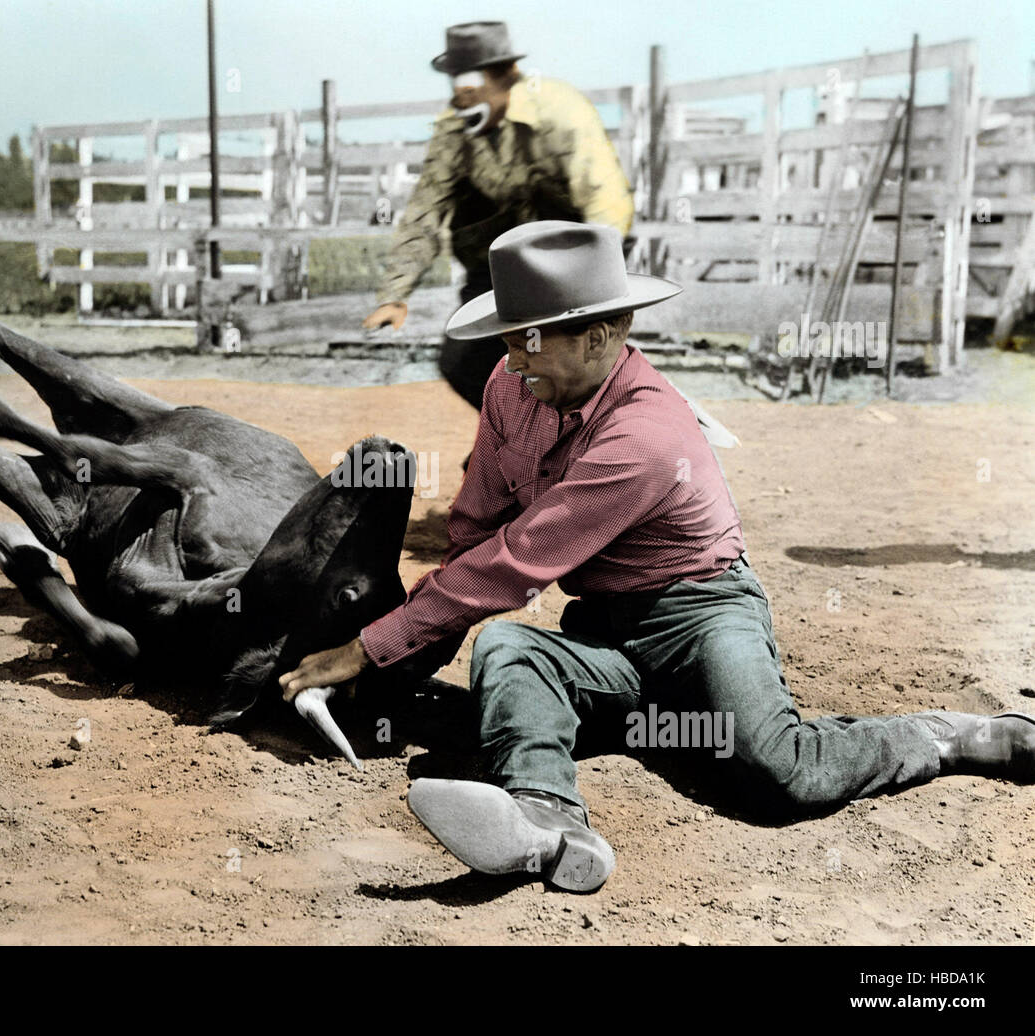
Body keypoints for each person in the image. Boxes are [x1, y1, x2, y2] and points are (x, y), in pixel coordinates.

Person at [280, 220, 1035, 894]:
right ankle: (550, 819)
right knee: (511, 649)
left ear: (604, 334)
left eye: (531, 338)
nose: (512, 359)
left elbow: (517, 561)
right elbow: (476, 535)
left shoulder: (649, 434)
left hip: (703, 617)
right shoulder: (512, 390)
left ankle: (957, 735)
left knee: (780, 775)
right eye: (509, 338)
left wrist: (365, 648)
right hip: (605, 630)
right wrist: (400, 660)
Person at [362, 21, 634, 412]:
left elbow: (605, 198)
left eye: (471, 81)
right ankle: (516, 438)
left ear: (506, 78)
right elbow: (425, 211)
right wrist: (394, 294)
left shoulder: (560, 111)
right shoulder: (453, 129)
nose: (461, 94)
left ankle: (581, 441)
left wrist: (591, 289)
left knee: (577, 365)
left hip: (573, 263)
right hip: (497, 268)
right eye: (455, 83)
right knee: (462, 362)